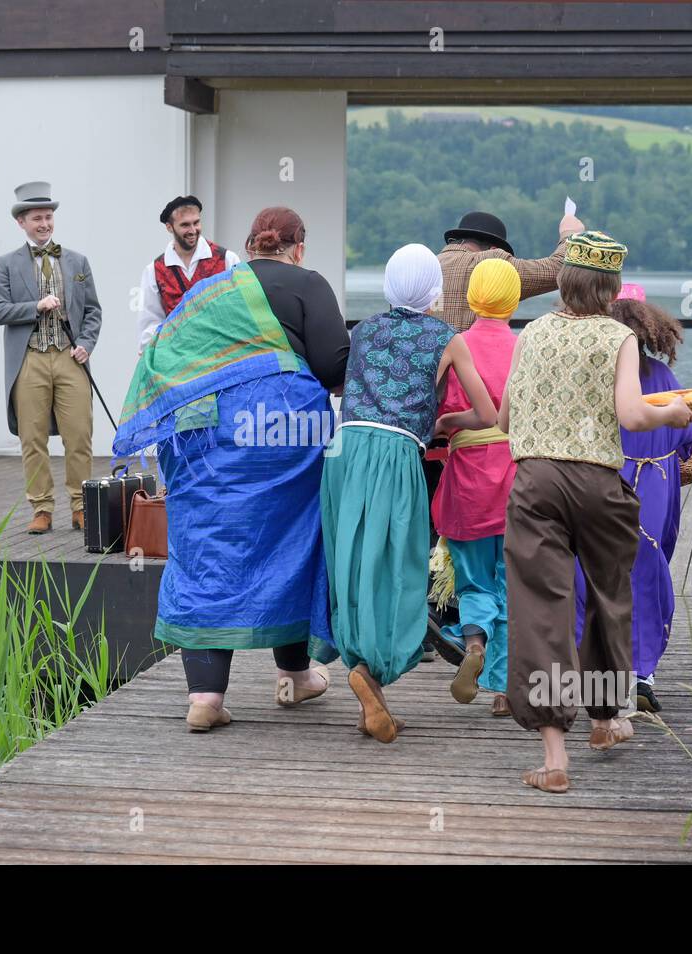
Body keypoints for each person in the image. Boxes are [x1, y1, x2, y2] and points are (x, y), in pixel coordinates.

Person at [112, 207, 351, 732]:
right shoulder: (309, 285)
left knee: (206, 544)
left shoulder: (209, 291)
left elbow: (163, 355)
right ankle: (295, 677)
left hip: (205, 437)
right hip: (284, 434)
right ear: (298, 247)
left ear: (249, 247)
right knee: (292, 539)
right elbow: (335, 367)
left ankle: (205, 698)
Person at [497, 232, 692, 793]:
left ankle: (555, 757)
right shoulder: (618, 337)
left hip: (535, 482)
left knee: (543, 609)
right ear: (610, 291)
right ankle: (607, 720)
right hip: (599, 484)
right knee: (611, 596)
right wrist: (675, 414)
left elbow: (508, 420)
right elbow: (633, 416)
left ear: (563, 282)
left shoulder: (531, 333)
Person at [318, 244, 496, 744]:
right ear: (434, 290)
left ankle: (360, 670)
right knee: (397, 563)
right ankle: (374, 669)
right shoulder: (448, 338)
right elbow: (486, 413)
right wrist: (443, 421)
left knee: (352, 561)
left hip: (344, 449)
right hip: (396, 454)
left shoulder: (364, 329)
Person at [574, 285, 692, 713]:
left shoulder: (596, 378)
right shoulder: (663, 379)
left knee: (591, 572)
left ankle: (595, 668)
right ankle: (643, 673)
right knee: (648, 570)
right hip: (657, 485)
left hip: (606, 481)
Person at [429, 260, 522, 716]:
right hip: (515, 475)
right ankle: (504, 688)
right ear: (515, 300)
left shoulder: (456, 344)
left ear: (470, 298)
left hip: (467, 473)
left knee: (472, 579)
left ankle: (473, 644)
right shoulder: (525, 346)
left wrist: (446, 424)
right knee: (512, 580)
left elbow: (433, 407)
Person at [0, 181, 102, 534]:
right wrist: (34, 307)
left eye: (48, 217)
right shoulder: (7, 264)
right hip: (30, 359)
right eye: (37, 218)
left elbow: (94, 311)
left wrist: (86, 343)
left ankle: (82, 506)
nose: (44, 224)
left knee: (80, 435)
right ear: (21, 222)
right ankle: (41, 508)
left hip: (70, 359)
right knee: (32, 437)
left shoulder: (77, 261)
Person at [433, 210, 585, 333]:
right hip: (478, 367)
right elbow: (557, 269)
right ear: (494, 248)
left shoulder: (431, 265)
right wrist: (570, 234)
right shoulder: (493, 263)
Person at [136, 195, 241, 353]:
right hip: (176, 359)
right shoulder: (154, 270)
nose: (193, 230)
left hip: (219, 355)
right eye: (185, 225)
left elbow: (239, 311)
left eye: (196, 223)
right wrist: (150, 352)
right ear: (169, 227)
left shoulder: (227, 260)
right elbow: (150, 322)